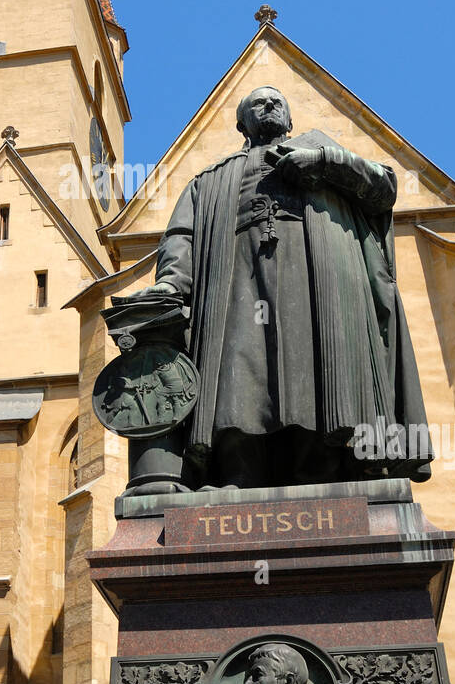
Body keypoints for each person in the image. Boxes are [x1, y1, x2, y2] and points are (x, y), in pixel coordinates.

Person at [143, 86, 432, 487]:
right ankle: (238, 476)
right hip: (235, 279)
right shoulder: (211, 179)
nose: (268, 106)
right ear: (241, 124)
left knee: (314, 368)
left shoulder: (322, 150)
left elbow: (385, 188)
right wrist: (172, 281)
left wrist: (325, 162)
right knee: (236, 370)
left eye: (276, 101)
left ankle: (321, 472)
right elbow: (182, 236)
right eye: (257, 103)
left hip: (318, 278)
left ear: (291, 120)